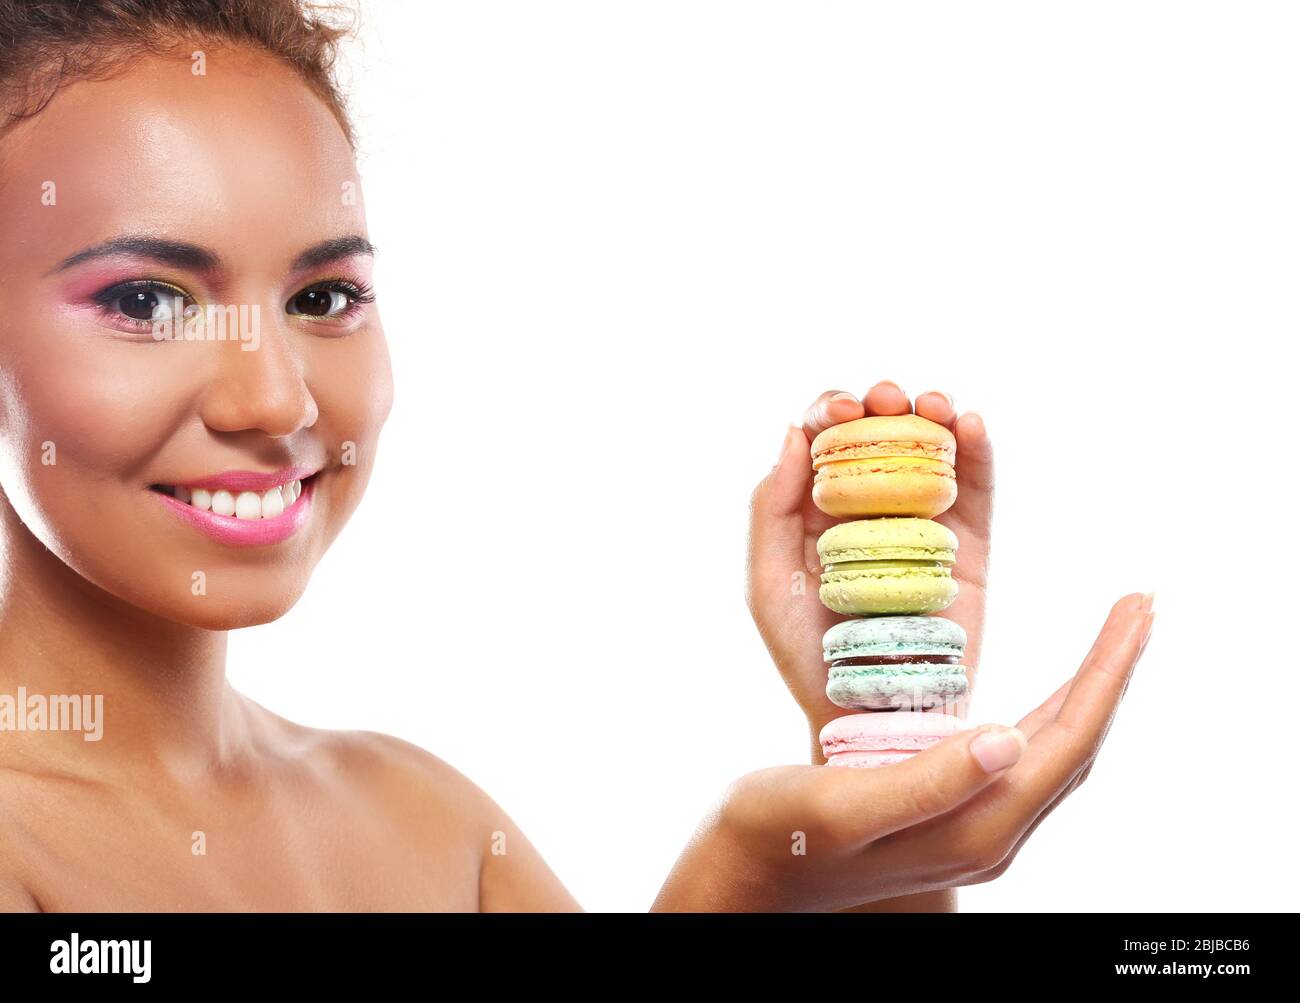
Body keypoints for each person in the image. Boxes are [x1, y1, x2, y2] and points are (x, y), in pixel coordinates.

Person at [0, 0, 1152, 912]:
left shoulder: (430, 825)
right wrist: (735, 888)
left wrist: (887, 769)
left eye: (324, 293)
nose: (276, 394)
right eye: (148, 299)